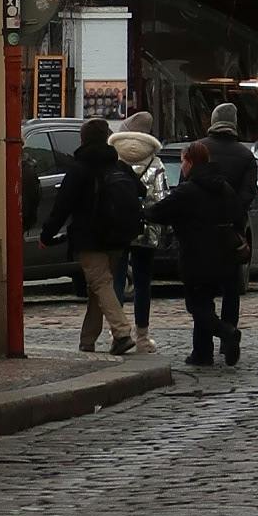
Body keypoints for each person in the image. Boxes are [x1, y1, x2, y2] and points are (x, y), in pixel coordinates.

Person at [39, 117, 142, 354]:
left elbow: (62, 207)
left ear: (83, 140)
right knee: (98, 287)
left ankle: (122, 332)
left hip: (90, 237)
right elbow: (140, 190)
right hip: (119, 236)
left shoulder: (79, 169)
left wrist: (46, 235)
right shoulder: (119, 165)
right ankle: (87, 340)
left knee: (100, 283)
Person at [146, 133, 246, 368]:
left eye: (183, 161)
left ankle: (225, 332)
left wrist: (141, 212)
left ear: (190, 162)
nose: (182, 166)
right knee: (205, 301)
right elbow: (238, 216)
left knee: (197, 305)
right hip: (225, 256)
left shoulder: (187, 191)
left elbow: (158, 211)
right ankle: (202, 353)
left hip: (196, 254)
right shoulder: (225, 188)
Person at [109, 106, 167, 346]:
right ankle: (142, 336)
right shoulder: (155, 162)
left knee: (117, 280)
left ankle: (118, 333)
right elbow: (162, 199)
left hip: (118, 228)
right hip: (146, 229)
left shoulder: (115, 159)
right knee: (143, 284)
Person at [204, 98, 258, 233]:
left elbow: (184, 186)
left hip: (199, 227)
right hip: (232, 229)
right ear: (234, 123)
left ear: (213, 121)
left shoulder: (196, 150)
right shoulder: (246, 156)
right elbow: (247, 194)